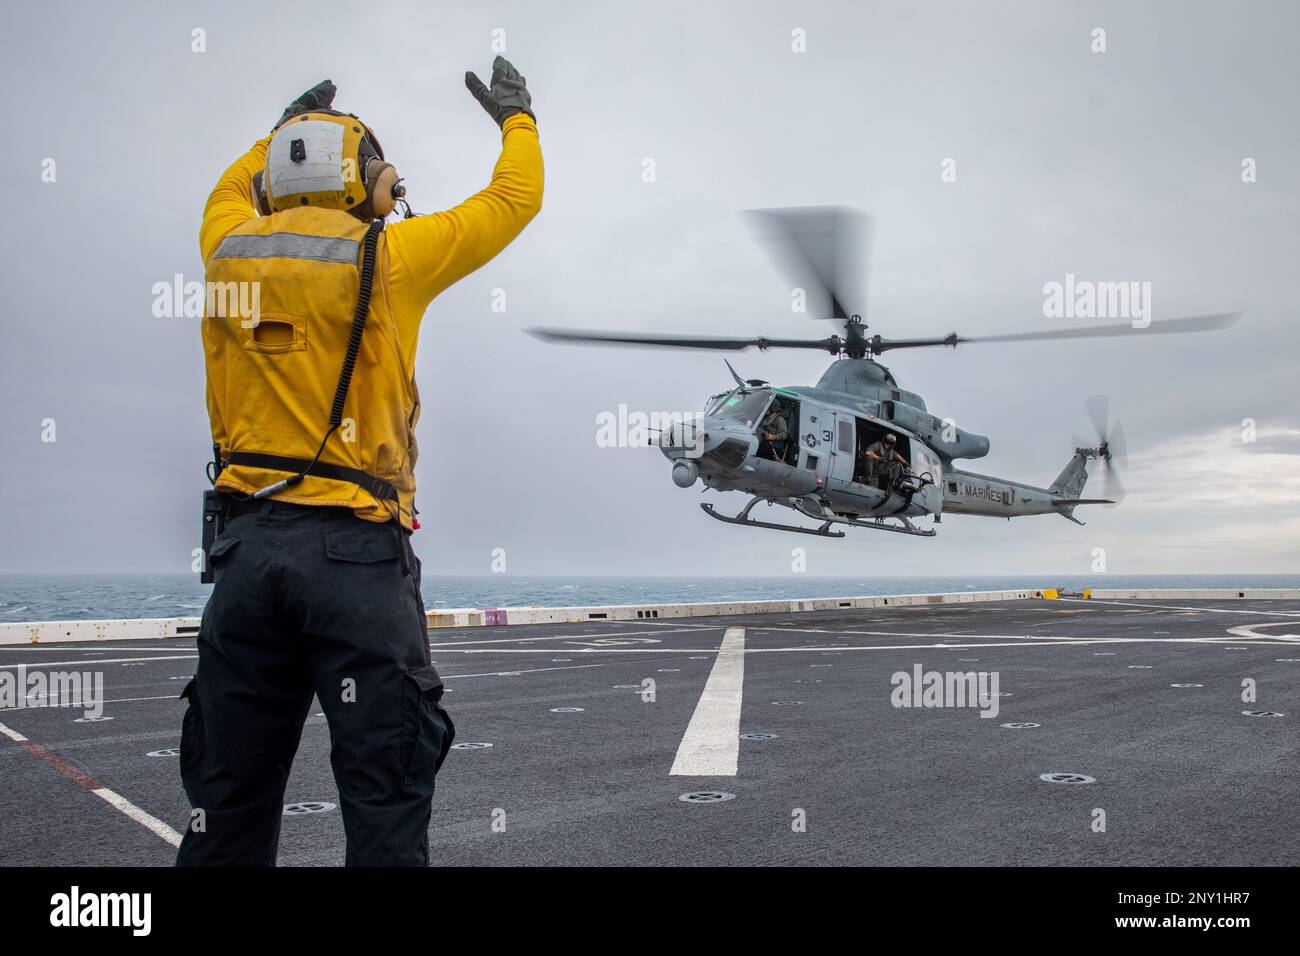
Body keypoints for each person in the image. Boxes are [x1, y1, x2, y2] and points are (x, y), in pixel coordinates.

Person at [179, 59, 543, 867]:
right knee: (384, 795)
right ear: (372, 184)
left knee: (225, 799)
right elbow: (513, 201)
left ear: (273, 179)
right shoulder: (393, 260)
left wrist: (276, 135)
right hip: (354, 561)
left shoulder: (224, 246)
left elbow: (232, 189)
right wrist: (518, 121)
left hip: (244, 559)